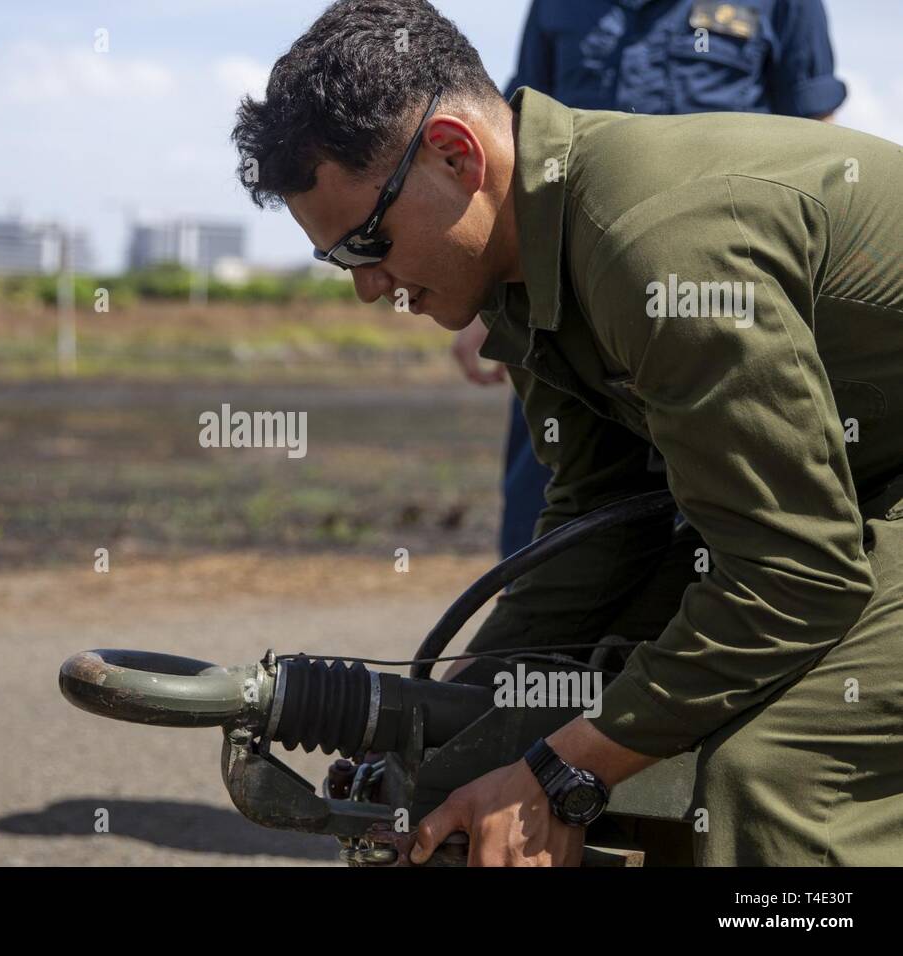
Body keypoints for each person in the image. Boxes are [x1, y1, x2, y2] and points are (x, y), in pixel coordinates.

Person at [231, 0, 903, 865]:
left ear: (455, 154)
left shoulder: (652, 249)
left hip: (840, 516)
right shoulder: (523, 275)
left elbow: (794, 578)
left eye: (370, 242)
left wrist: (562, 770)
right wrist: (451, 721)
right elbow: (603, 525)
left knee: (764, 778)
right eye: (341, 261)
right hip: (851, 484)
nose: (369, 288)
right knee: (524, 727)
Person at [452, 0, 848, 560]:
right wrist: (486, 304)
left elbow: (817, 145)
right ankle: (527, 646)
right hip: (567, 309)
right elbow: (511, 143)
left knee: (731, 514)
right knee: (547, 514)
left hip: (718, 312)